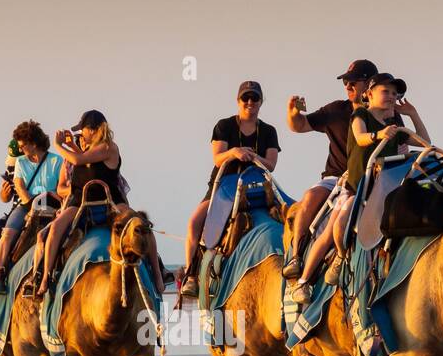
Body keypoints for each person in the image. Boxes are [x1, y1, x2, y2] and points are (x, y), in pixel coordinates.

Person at [290, 72, 430, 304]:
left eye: (395, 93)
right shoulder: (361, 114)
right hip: (356, 188)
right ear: (369, 94)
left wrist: (413, 114)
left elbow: (426, 142)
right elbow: (361, 137)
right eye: (385, 91)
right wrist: (379, 135)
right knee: (337, 224)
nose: (391, 97)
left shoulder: (394, 126)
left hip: (382, 192)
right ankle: (306, 280)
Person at [179, 81, 281, 299]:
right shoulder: (224, 126)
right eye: (246, 98)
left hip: (257, 186)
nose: (250, 102)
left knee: (290, 214)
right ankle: (191, 275)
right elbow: (217, 158)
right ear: (238, 101)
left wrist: (253, 157)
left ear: (261, 101)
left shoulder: (269, 131)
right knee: (195, 222)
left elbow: (271, 164)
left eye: (254, 98)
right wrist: (234, 152)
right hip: (224, 185)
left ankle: (296, 265)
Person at [282, 59, 378, 280]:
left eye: (354, 81)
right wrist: (293, 112)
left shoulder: (384, 113)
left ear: (370, 85)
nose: (348, 85)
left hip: (372, 177)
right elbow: (299, 126)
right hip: (336, 177)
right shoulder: (336, 110)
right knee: (311, 196)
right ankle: (297, 255)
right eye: (346, 81)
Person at [32, 110, 140, 297]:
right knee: (56, 227)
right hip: (83, 202)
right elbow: (83, 157)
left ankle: (158, 272)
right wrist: (70, 144)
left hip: (110, 202)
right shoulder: (90, 150)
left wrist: (58, 145)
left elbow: (78, 159)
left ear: (93, 130)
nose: (81, 133)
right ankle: (45, 278)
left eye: (82, 130)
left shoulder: (108, 147)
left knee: (139, 226)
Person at [0, 120, 67, 295]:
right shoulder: (21, 162)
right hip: (27, 205)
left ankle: (50, 274)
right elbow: (19, 186)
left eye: (23, 145)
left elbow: (61, 187)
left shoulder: (57, 161)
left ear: (33, 143)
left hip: (51, 206)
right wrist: (31, 206)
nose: (21, 149)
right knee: (7, 233)